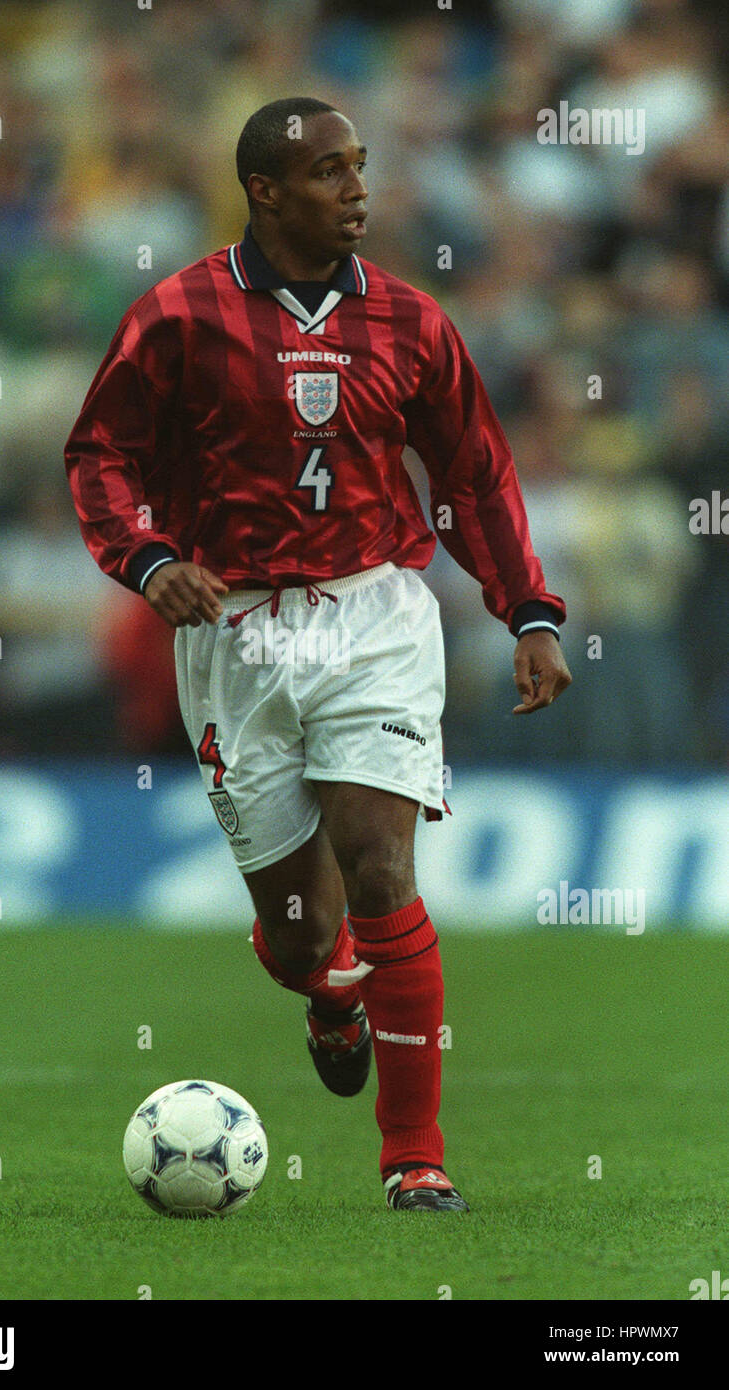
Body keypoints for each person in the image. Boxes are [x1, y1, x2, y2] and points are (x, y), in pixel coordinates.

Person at [65, 97, 571, 1213]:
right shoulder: (179, 314)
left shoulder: (407, 319)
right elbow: (101, 453)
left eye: (359, 167)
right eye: (330, 171)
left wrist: (526, 610)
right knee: (302, 937)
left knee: (381, 865)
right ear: (264, 188)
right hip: (233, 628)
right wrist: (148, 561)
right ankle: (324, 988)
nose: (356, 189)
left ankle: (414, 1156)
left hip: (374, 612)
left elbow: (472, 471)